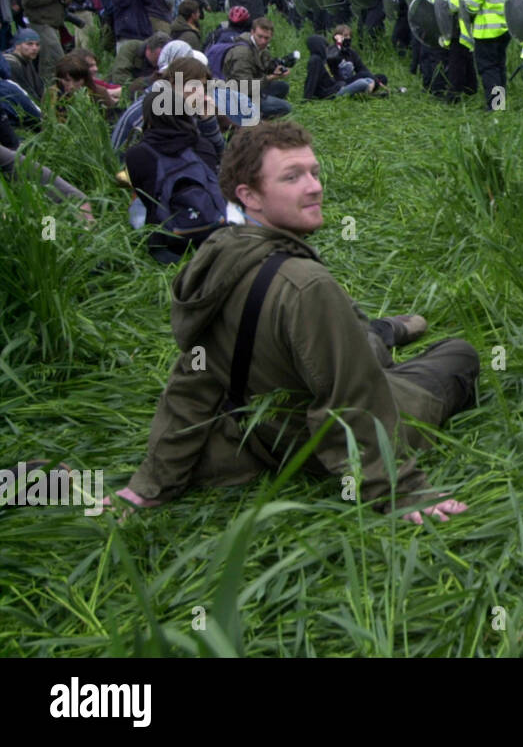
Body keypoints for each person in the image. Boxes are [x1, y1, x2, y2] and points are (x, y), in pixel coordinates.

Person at [109, 120, 480, 523]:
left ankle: (378, 333)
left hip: (258, 432)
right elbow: (350, 396)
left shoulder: (217, 254)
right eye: (292, 177)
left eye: (314, 173)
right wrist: (398, 489)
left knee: (350, 337)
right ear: (249, 196)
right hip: (318, 438)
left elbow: (192, 379)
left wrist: (149, 485)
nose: (315, 186)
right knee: (458, 354)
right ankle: (376, 337)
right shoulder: (306, 286)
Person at [123, 58, 225, 263]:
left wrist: (208, 119)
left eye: (203, 87)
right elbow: (218, 159)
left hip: (169, 237)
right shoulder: (199, 142)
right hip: (208, 225)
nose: (201, 93)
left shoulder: (137, 152)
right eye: (195, 86)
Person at [464, 0, 516, 110]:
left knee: (489, 69)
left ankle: (496, 106)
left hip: (486, 32)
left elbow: (471, 6)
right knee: (500, 66)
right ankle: (501, 102)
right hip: (506, 30)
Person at [3, 28, 44, 101]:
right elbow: (25, 93)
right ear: (17, 45)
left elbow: (39, 88)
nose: (35, 48)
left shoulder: (27, 59)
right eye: (29, 44)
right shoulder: (11, 64)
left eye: (37, 44)